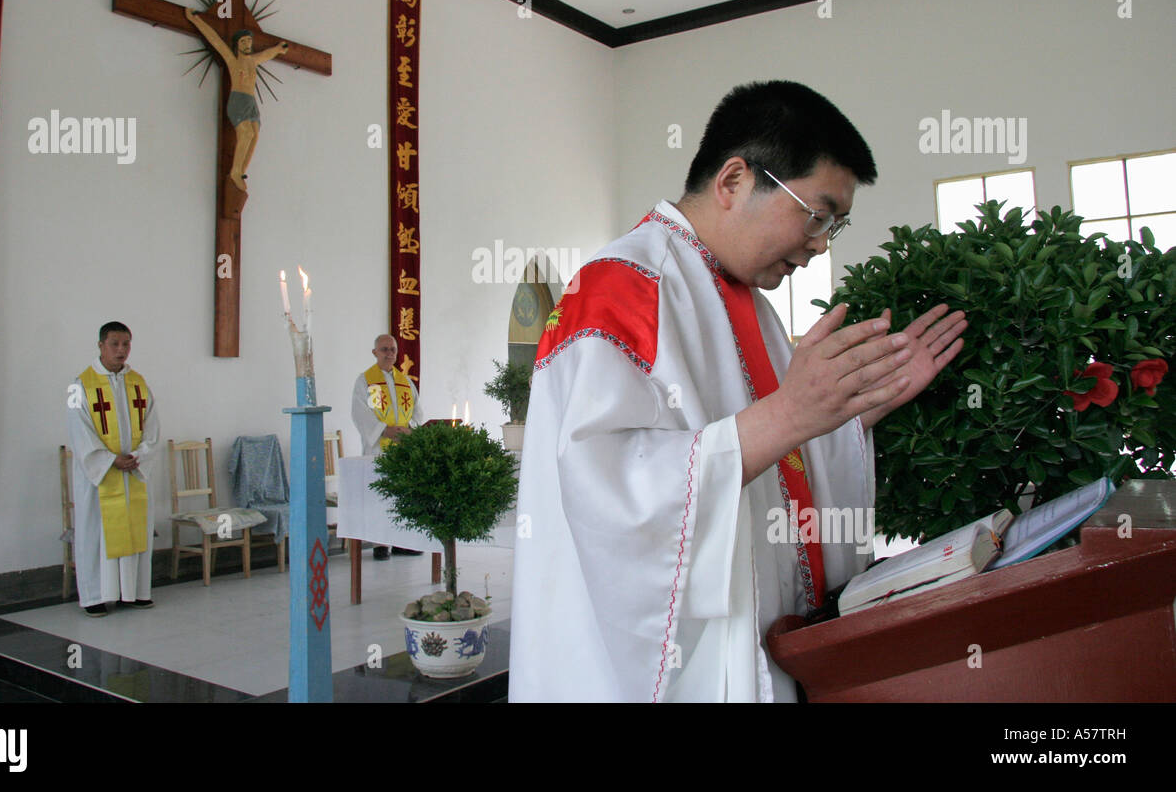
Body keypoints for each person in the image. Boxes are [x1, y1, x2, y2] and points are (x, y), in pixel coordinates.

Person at [509, 81, 967, 701]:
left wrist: (854, 412)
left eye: (836, 224)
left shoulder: (745, 298)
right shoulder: (622, 287)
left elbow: (779, 455)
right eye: (816, 215)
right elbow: (609, 499)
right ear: (733, 181)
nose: (821, 243)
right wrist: (791, 413)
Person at [67, 321, 160, 616]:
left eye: (126, 344)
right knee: (96, 534)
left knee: (135, 530)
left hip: (133, 472)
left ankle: (132, 593)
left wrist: (138, 455)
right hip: (100, 477)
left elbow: (153, 427)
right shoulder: (80, 385)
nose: (121, 350)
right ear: (100, 345)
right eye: (115, 344)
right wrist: (109, 460)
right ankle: (95, 596)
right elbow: (79, 432)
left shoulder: (139, 383)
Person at [183, 7, 289, 192]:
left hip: (251, 102)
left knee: (255, 135)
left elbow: (267, 54)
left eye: (249, 40)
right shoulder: (233, 61)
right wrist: (196, 20)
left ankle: (241, 172)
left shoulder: (253, 61)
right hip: (238, 100)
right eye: (243, 41)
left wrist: (278, 50)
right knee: (246, 133)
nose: (247, 43)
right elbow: (215, 40)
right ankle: (234, 171)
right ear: (237, 44)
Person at [351, 334, 426, 559]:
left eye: (393, 349)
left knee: (402, 495)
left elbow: (418, 412)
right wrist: (383, 430)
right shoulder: (365, 380)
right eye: (384, 349)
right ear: (375, 353)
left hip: (403, 448)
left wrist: (409, 429)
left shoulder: (406, 382)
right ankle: (379, 544)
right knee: (379, 496)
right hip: (378, 449)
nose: (389, 353)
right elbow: (359, 412)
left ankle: (402, 541)